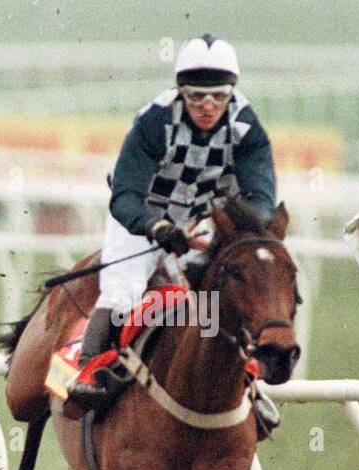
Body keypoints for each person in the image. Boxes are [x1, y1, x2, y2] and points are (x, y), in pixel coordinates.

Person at [67, 34, 276, 412]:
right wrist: (159, 228)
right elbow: (126, 196)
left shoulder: (247, 128)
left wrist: (224, 232)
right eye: (197, 96)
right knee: (123, 291)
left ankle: (248, 387)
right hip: (142, 218)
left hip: (203, 223)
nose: (208, 106)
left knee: (217, 293)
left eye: (219, 96)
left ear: (232, 93)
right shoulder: (155, 120)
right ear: (181, 92)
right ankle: (89, 372)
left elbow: (261, 201)